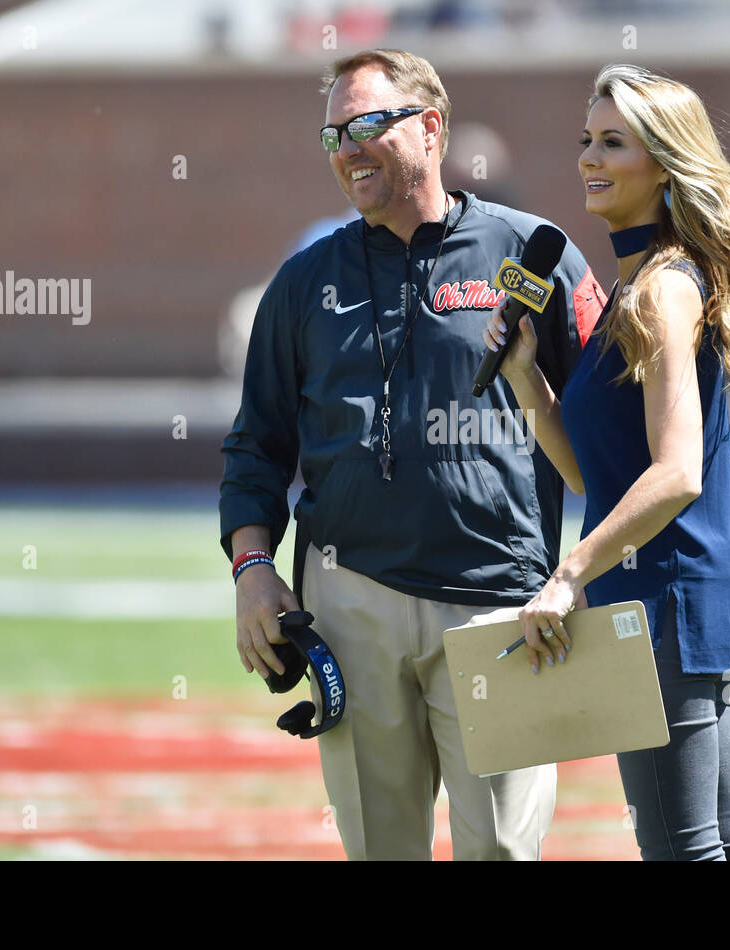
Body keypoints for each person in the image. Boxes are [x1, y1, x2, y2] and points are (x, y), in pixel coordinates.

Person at [219, 48, 607, 861]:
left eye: (366, 125)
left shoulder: (533, 253)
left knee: (502, 852)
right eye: (333, 136)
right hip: (350, 600)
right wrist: (252, 570)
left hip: (502, 602)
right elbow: (256, 445)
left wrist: (585, 574)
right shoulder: (302, 282)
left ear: (431, 128)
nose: (348, 149)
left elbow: (613, 427)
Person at [483, 63, 730, 860]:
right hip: (665, 596)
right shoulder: (634, 289)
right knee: (725, 844)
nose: (589, 158)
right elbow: (595, 476)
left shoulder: (662, 289)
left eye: (614, 143)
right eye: (586, 140)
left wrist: (568, 574)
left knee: (683, 851)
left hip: (663, 602)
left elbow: (677, 472)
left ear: (664, 165)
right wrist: (527, 375)